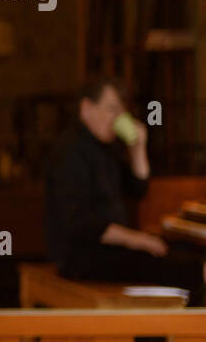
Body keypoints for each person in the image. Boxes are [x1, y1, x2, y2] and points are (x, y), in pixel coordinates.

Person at [43, 76, 206, 303]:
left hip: (114, 246)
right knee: (176, 267)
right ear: (86, 108)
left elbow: (138, 189)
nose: (118, 118)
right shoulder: (68, 152)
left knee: (185, 251)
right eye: (112, 109)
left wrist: (138, 148)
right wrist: (135, 239)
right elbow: (80, 222)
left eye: (122, 111)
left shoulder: (107, 147)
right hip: (81, 255)